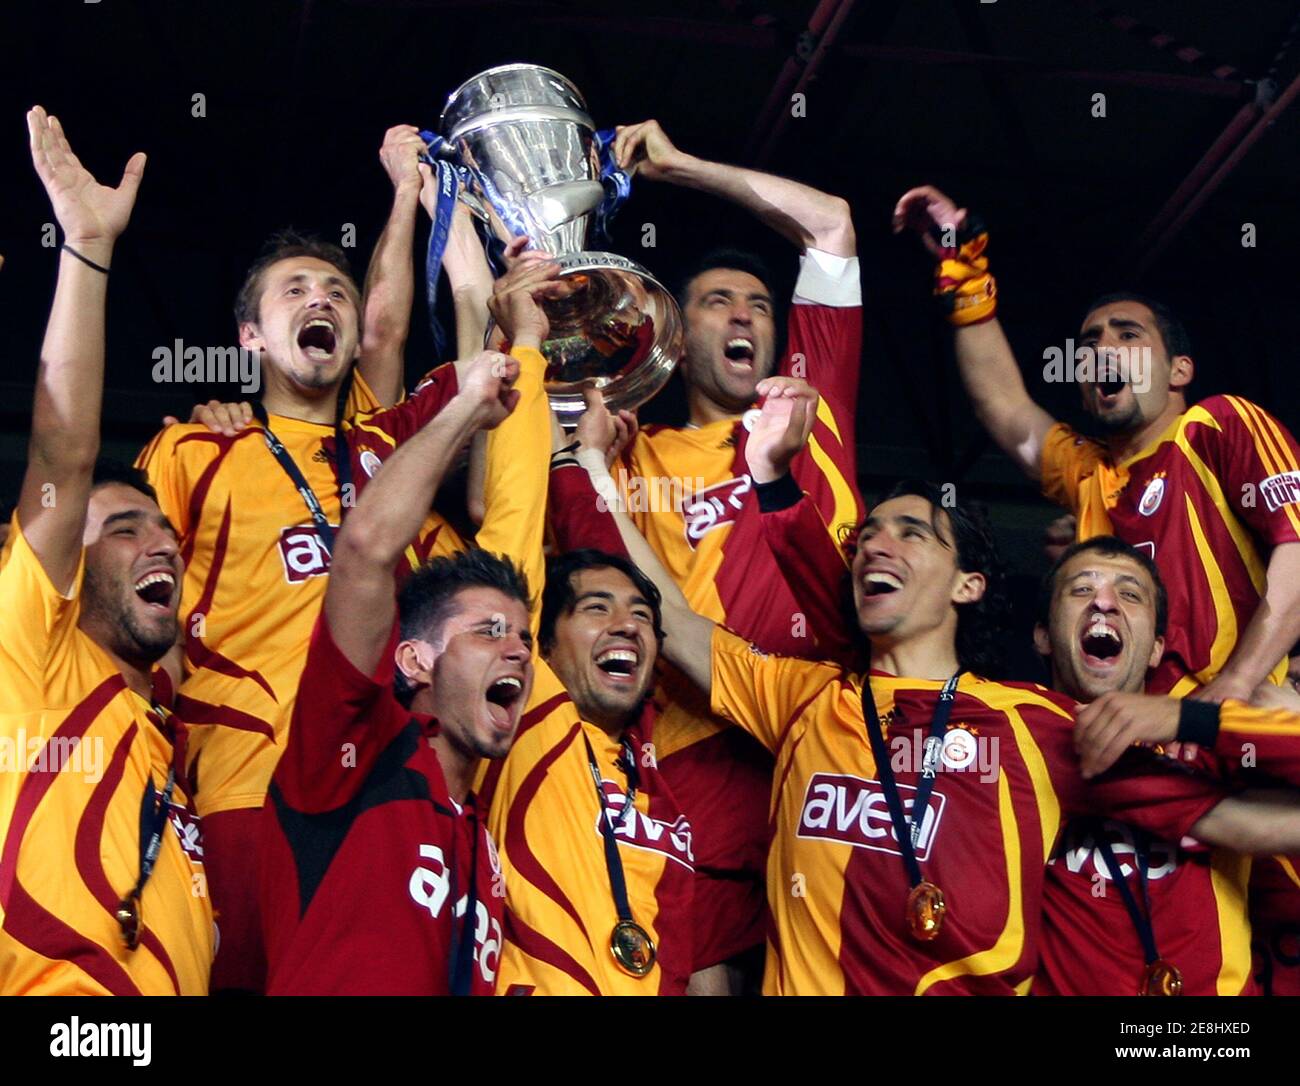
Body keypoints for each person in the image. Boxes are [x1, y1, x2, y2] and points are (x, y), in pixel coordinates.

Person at [570, 386, 1297, 994]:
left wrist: (1200, 718)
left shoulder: (1035, 724)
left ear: (968, 584)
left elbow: (1246, 823)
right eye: (869, 536)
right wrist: (595, 464)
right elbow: (661, 606)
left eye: (913, 533)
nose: (877, 545)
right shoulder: (802, 699)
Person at [134, 132, 500, 992]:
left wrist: (409, 194)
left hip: (386, 797)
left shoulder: (387, 456)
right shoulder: (194, 448)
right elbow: (130, 602)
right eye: (294, 290)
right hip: (242, 788)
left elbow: (388, 322)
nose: (321, 299)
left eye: (332, 287)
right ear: (250, 337)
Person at [546, 119, 862, 991]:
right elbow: (537, 422)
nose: (745, 315)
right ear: (676, 333)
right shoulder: (635, 456)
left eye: (760, 304)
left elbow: (830, 223)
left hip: (835, 754)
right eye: (719, 301)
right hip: (695, 769)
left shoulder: (811, 410)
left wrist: (683, 166)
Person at [892, 185, 1300, 703]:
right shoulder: (1091, 473)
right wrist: (967, 275)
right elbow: (1005, 408)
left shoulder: (1217, 424)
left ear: (1180, 370)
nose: (1103, 347)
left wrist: (1238, 683)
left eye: (1128, 335)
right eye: (1089, 343)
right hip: (1112, 737)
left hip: (1215, 733)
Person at [0, 107, 212, 994]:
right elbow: (60, 455)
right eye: (123, 528)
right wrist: (86, 250)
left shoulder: (167, 742)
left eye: (164, 530)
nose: (159, 540)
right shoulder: (33, 659)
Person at [260, 347, 528, 994]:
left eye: (523, 636)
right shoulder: (353, 751)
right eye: (489, 631)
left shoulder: (482, 843)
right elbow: (363, 551)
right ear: (415, 658)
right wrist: (465, 409)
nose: (518, 649)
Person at [1033, 536, 1300, 995]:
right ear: (1041, 635)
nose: (1104, 603)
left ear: (1157, 649)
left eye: (1129, 594)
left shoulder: (1206, 743)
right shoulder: (1004, 732)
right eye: (1081, 589)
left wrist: (1188, 718)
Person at [478, 547, 695, 995]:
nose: (627, 625)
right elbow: (507, 543)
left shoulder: (662, 791)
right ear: (544, 644)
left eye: (642, 616)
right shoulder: (532, 723)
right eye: (597, 608)